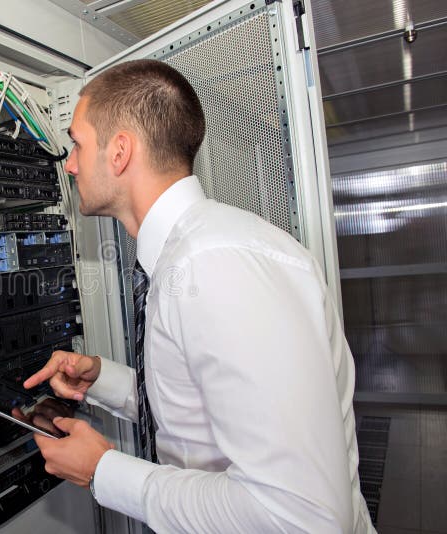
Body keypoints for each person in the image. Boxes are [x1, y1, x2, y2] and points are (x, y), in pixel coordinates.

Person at [22, 59, 374, 533]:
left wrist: (104, 472)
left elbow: (300, 517)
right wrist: (101, 379)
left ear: (120, 151)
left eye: (78, 144)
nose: (69, 164)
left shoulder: (216, 266)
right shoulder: (190, 256)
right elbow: (204, 415)